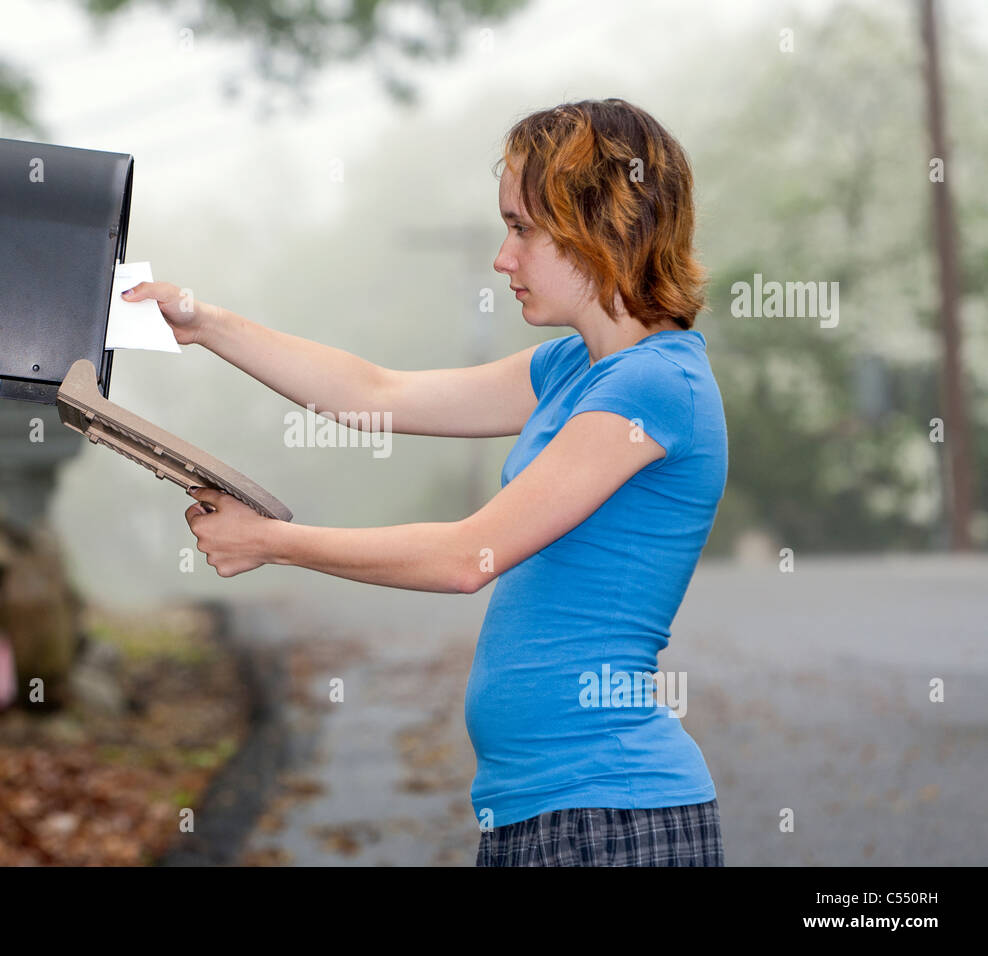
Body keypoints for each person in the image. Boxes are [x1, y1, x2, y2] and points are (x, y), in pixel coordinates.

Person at [120, 97, 727, 867]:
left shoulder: (654, 388)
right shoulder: (575, 370)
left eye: (521, 229)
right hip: (541, 813)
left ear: (602, 225)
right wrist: (205, 322)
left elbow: (465, 559)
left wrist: (272, 542)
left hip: (610, 817)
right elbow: (376, 395)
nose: (503, 259)